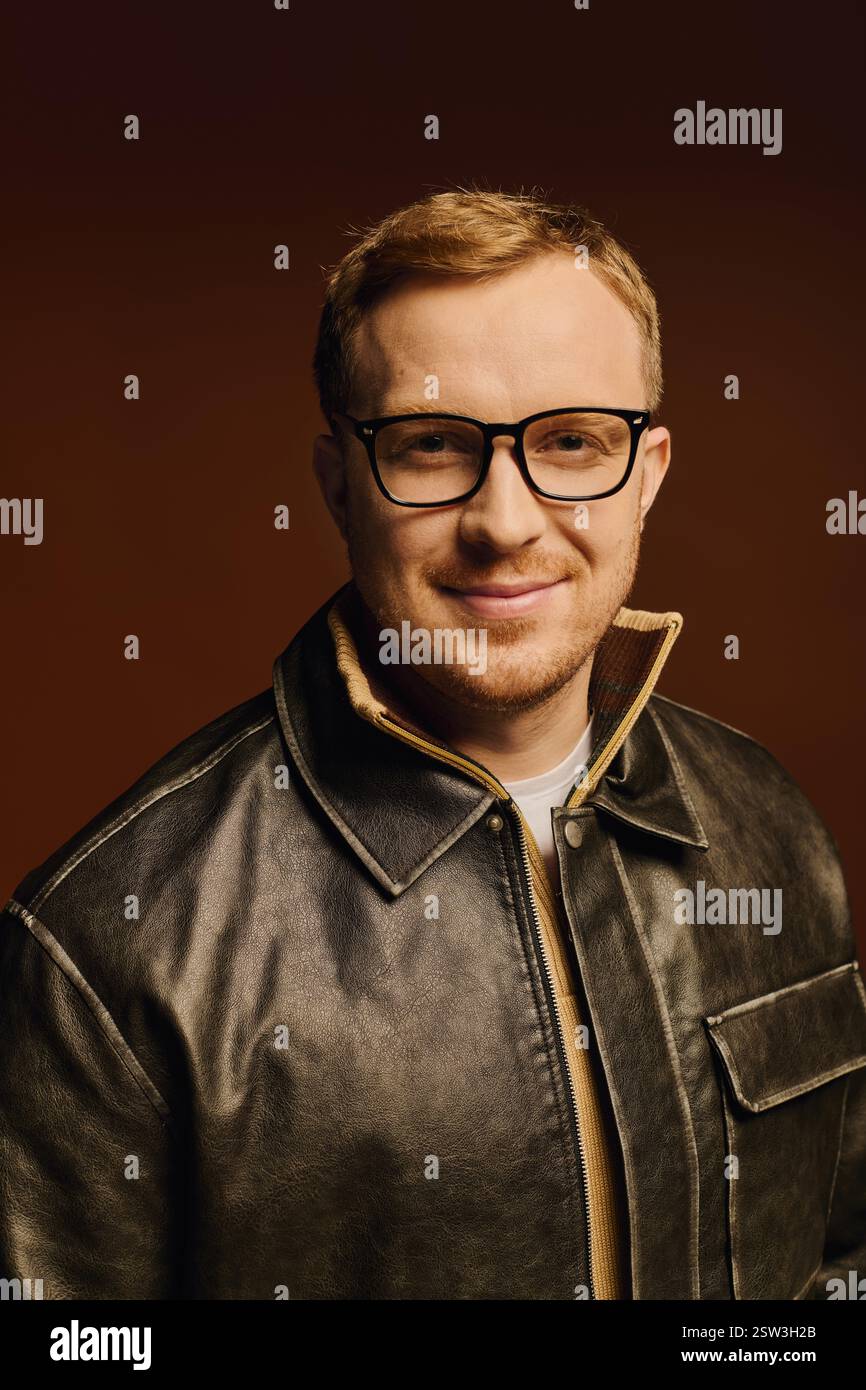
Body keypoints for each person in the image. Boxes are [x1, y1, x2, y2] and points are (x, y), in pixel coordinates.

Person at [2, 186, 865, 1301]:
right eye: (428, 446)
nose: (504, 520)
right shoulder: (107, 945)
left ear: (646, 476)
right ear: (338, 487)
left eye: (570, 441)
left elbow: (835, 1262)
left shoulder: (767, 823)